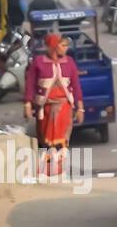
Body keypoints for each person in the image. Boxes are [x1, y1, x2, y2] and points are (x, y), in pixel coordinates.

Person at [25, 31, 83, 178]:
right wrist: (27, 104)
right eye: (62, 45)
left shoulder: (69, 62)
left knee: (61, 140)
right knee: (45, 141)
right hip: (44, 109)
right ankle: (47, 170)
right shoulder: (38, 62)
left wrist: (80, 108)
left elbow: (76, 86)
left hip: (64, 108)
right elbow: (30, 84)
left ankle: (59, 169)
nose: (65, 48)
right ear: (52, 46)